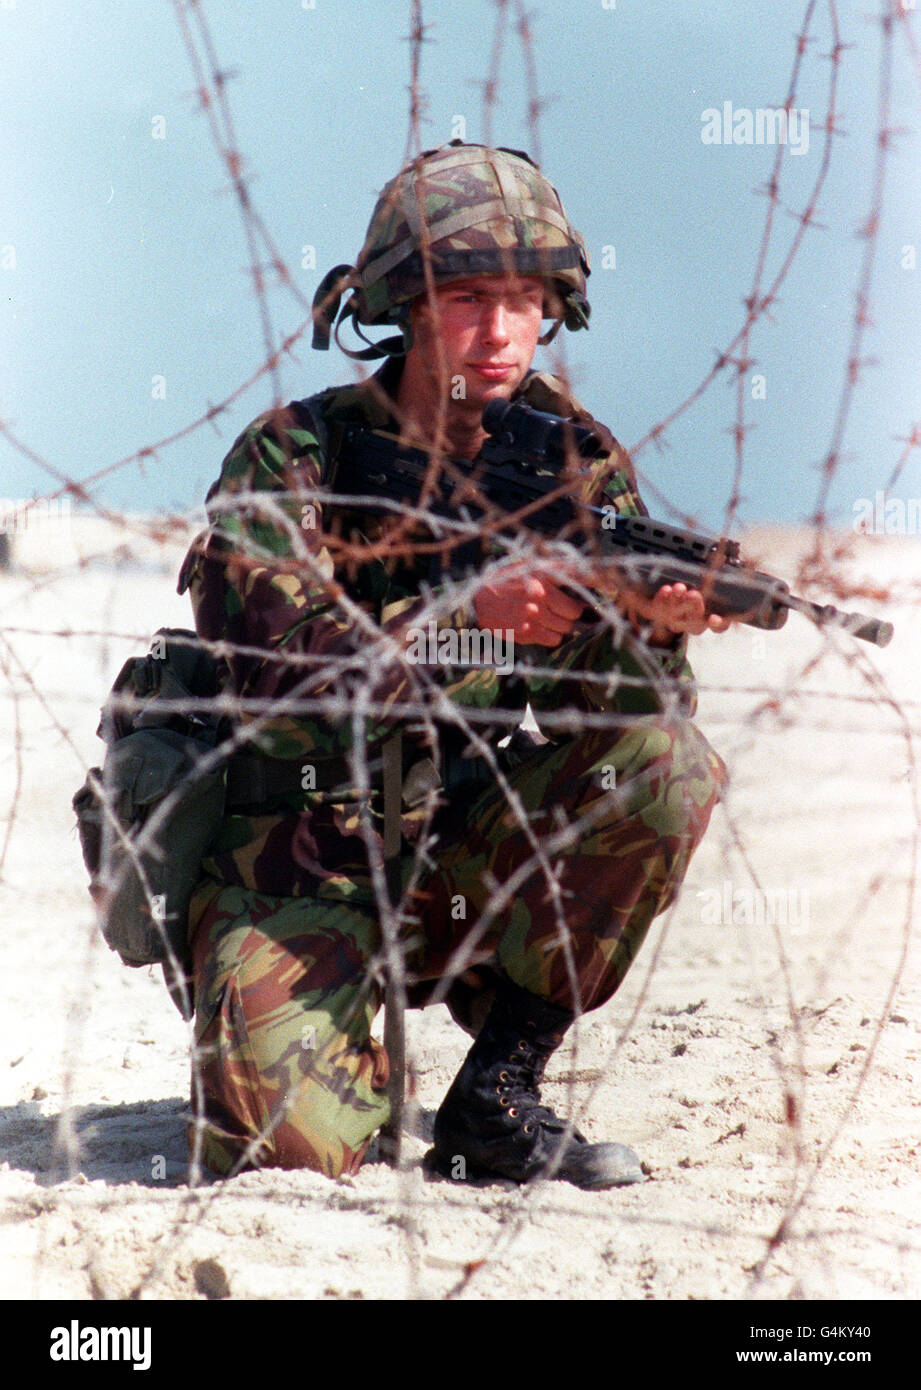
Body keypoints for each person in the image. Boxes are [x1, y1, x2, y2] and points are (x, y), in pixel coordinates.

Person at [178, 141, 728, 1188]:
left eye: (525, 299)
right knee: (290, 1152)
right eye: (468, 296)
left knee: (669, 763)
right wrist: (457, 620)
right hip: (300, 866)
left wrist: (650, 626)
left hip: (465, 861)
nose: (501, 332)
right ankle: (315, 1036)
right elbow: (272, 685)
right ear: (404, 305)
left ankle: (499, 1090)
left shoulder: (573, 458)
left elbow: (615, 725)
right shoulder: (296, 457)